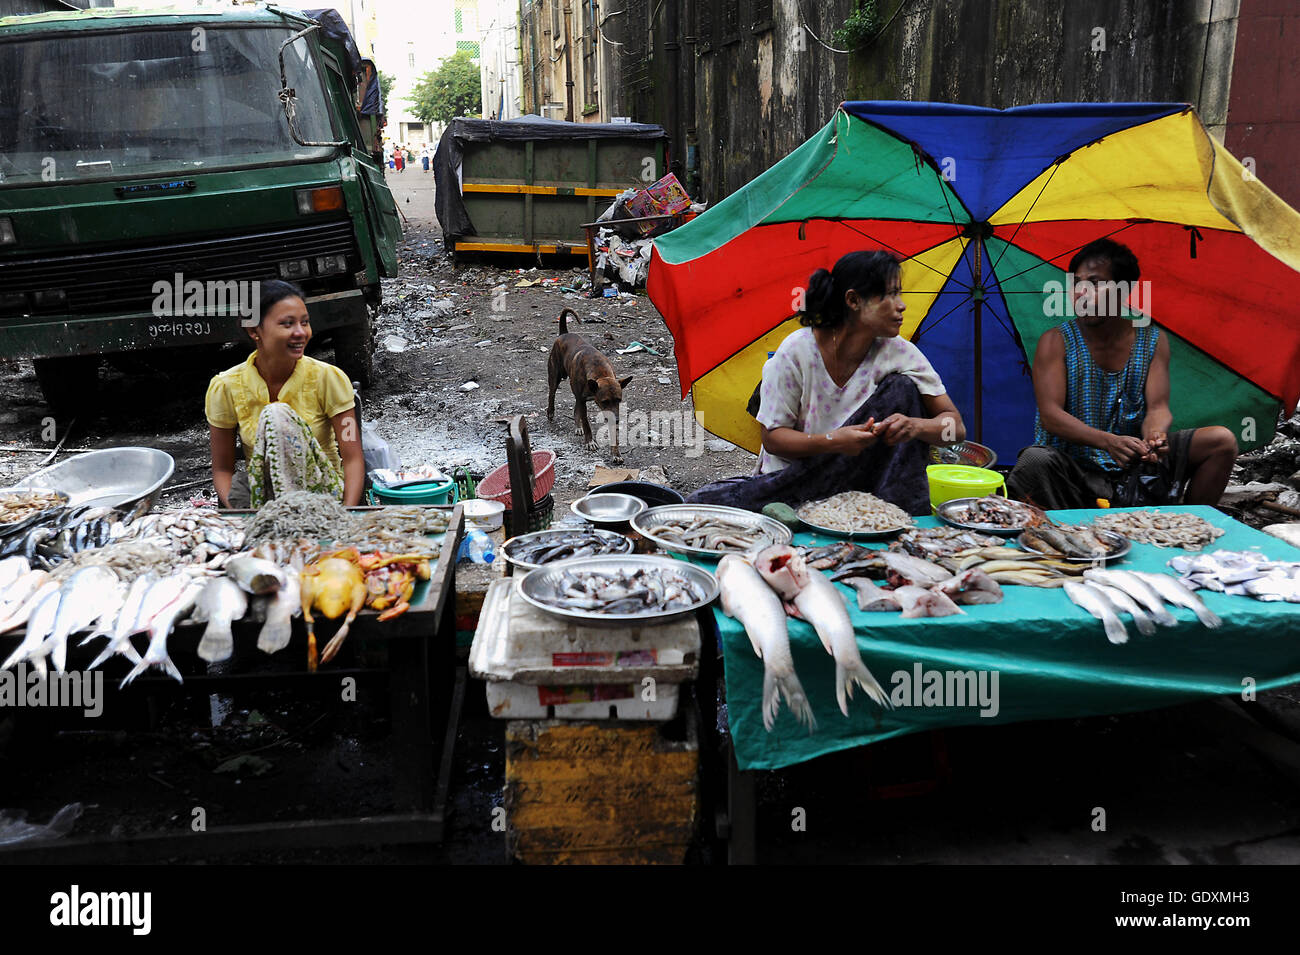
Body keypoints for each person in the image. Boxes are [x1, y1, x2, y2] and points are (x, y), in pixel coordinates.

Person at [688, 250, 965, 514]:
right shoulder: (797, 352)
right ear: (854, 300)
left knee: (903, 389)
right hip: (794, 479)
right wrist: (833, 441)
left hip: (861, 486)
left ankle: (888, 513)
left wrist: (916, 426)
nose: (901, 305)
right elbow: (773, 439)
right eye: (890, 295)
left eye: (899, 294)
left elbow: (956, 429)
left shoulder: (900, 352)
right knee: (698, 505)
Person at [1006, 238, 1238, 510]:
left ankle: (1188, 522)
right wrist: (1108, 442)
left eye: (1094, 283)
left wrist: (1155, 435)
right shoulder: (1055, 341)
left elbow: (1158, 407)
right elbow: (1051, 417)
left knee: (1220, 441)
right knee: (1035, 460)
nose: (1082, 292)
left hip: (1132, 461)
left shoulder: (1152, 340)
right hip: (1073, 469)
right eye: (1076, 283)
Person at [207, 280, 365, 508]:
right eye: (287, 324)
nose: (301, 333)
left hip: (323, 502)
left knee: (277, 414)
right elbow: (222, 469)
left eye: (305, 322)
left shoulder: (329, 378)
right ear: (254, 331)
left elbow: (352, 458)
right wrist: (244, 518)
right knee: (275, 415)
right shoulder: (225, 387)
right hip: (264, 505)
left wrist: (346, 513)